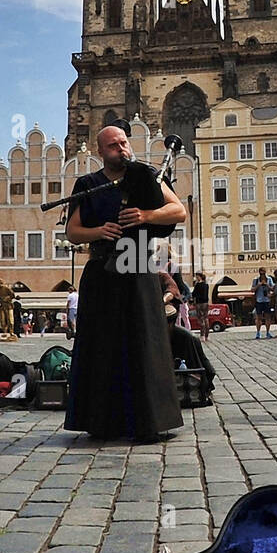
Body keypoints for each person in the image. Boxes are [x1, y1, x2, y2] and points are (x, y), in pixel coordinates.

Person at [64, 120, 186, 441]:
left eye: (124, 143)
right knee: (101, 345)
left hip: (138, 267)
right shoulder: (87, 183)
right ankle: (102, 422)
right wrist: (99, 231)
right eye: (113, 145)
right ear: (100, 152)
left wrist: (146, 216)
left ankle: (148, 422)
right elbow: (72, 232)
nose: (122, 149)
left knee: (144, 343)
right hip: (102, 271)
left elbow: (178, 212)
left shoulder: (144, 177)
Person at [252, 267, 275, 339]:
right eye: (261, 273)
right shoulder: (255, 280)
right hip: (259, 300)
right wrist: (258, 285)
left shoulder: (269, 279)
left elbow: (272, 288)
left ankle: (268, 332)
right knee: (259, 317)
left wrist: (266, 285)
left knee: (268, 317)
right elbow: (252, 290)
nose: (262, 275)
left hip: (267, 300)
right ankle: (258, 332)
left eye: (264, 273)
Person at [191, 272, 210, 340]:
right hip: (206, 303)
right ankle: (207, 336)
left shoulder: (197, 285)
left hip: (199, 303)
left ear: (199, 277)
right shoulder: (206, 285)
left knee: (201, 320)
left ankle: (202, 335)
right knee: (206, 318)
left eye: (197, 276)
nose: (196, 278)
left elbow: (194, 294)